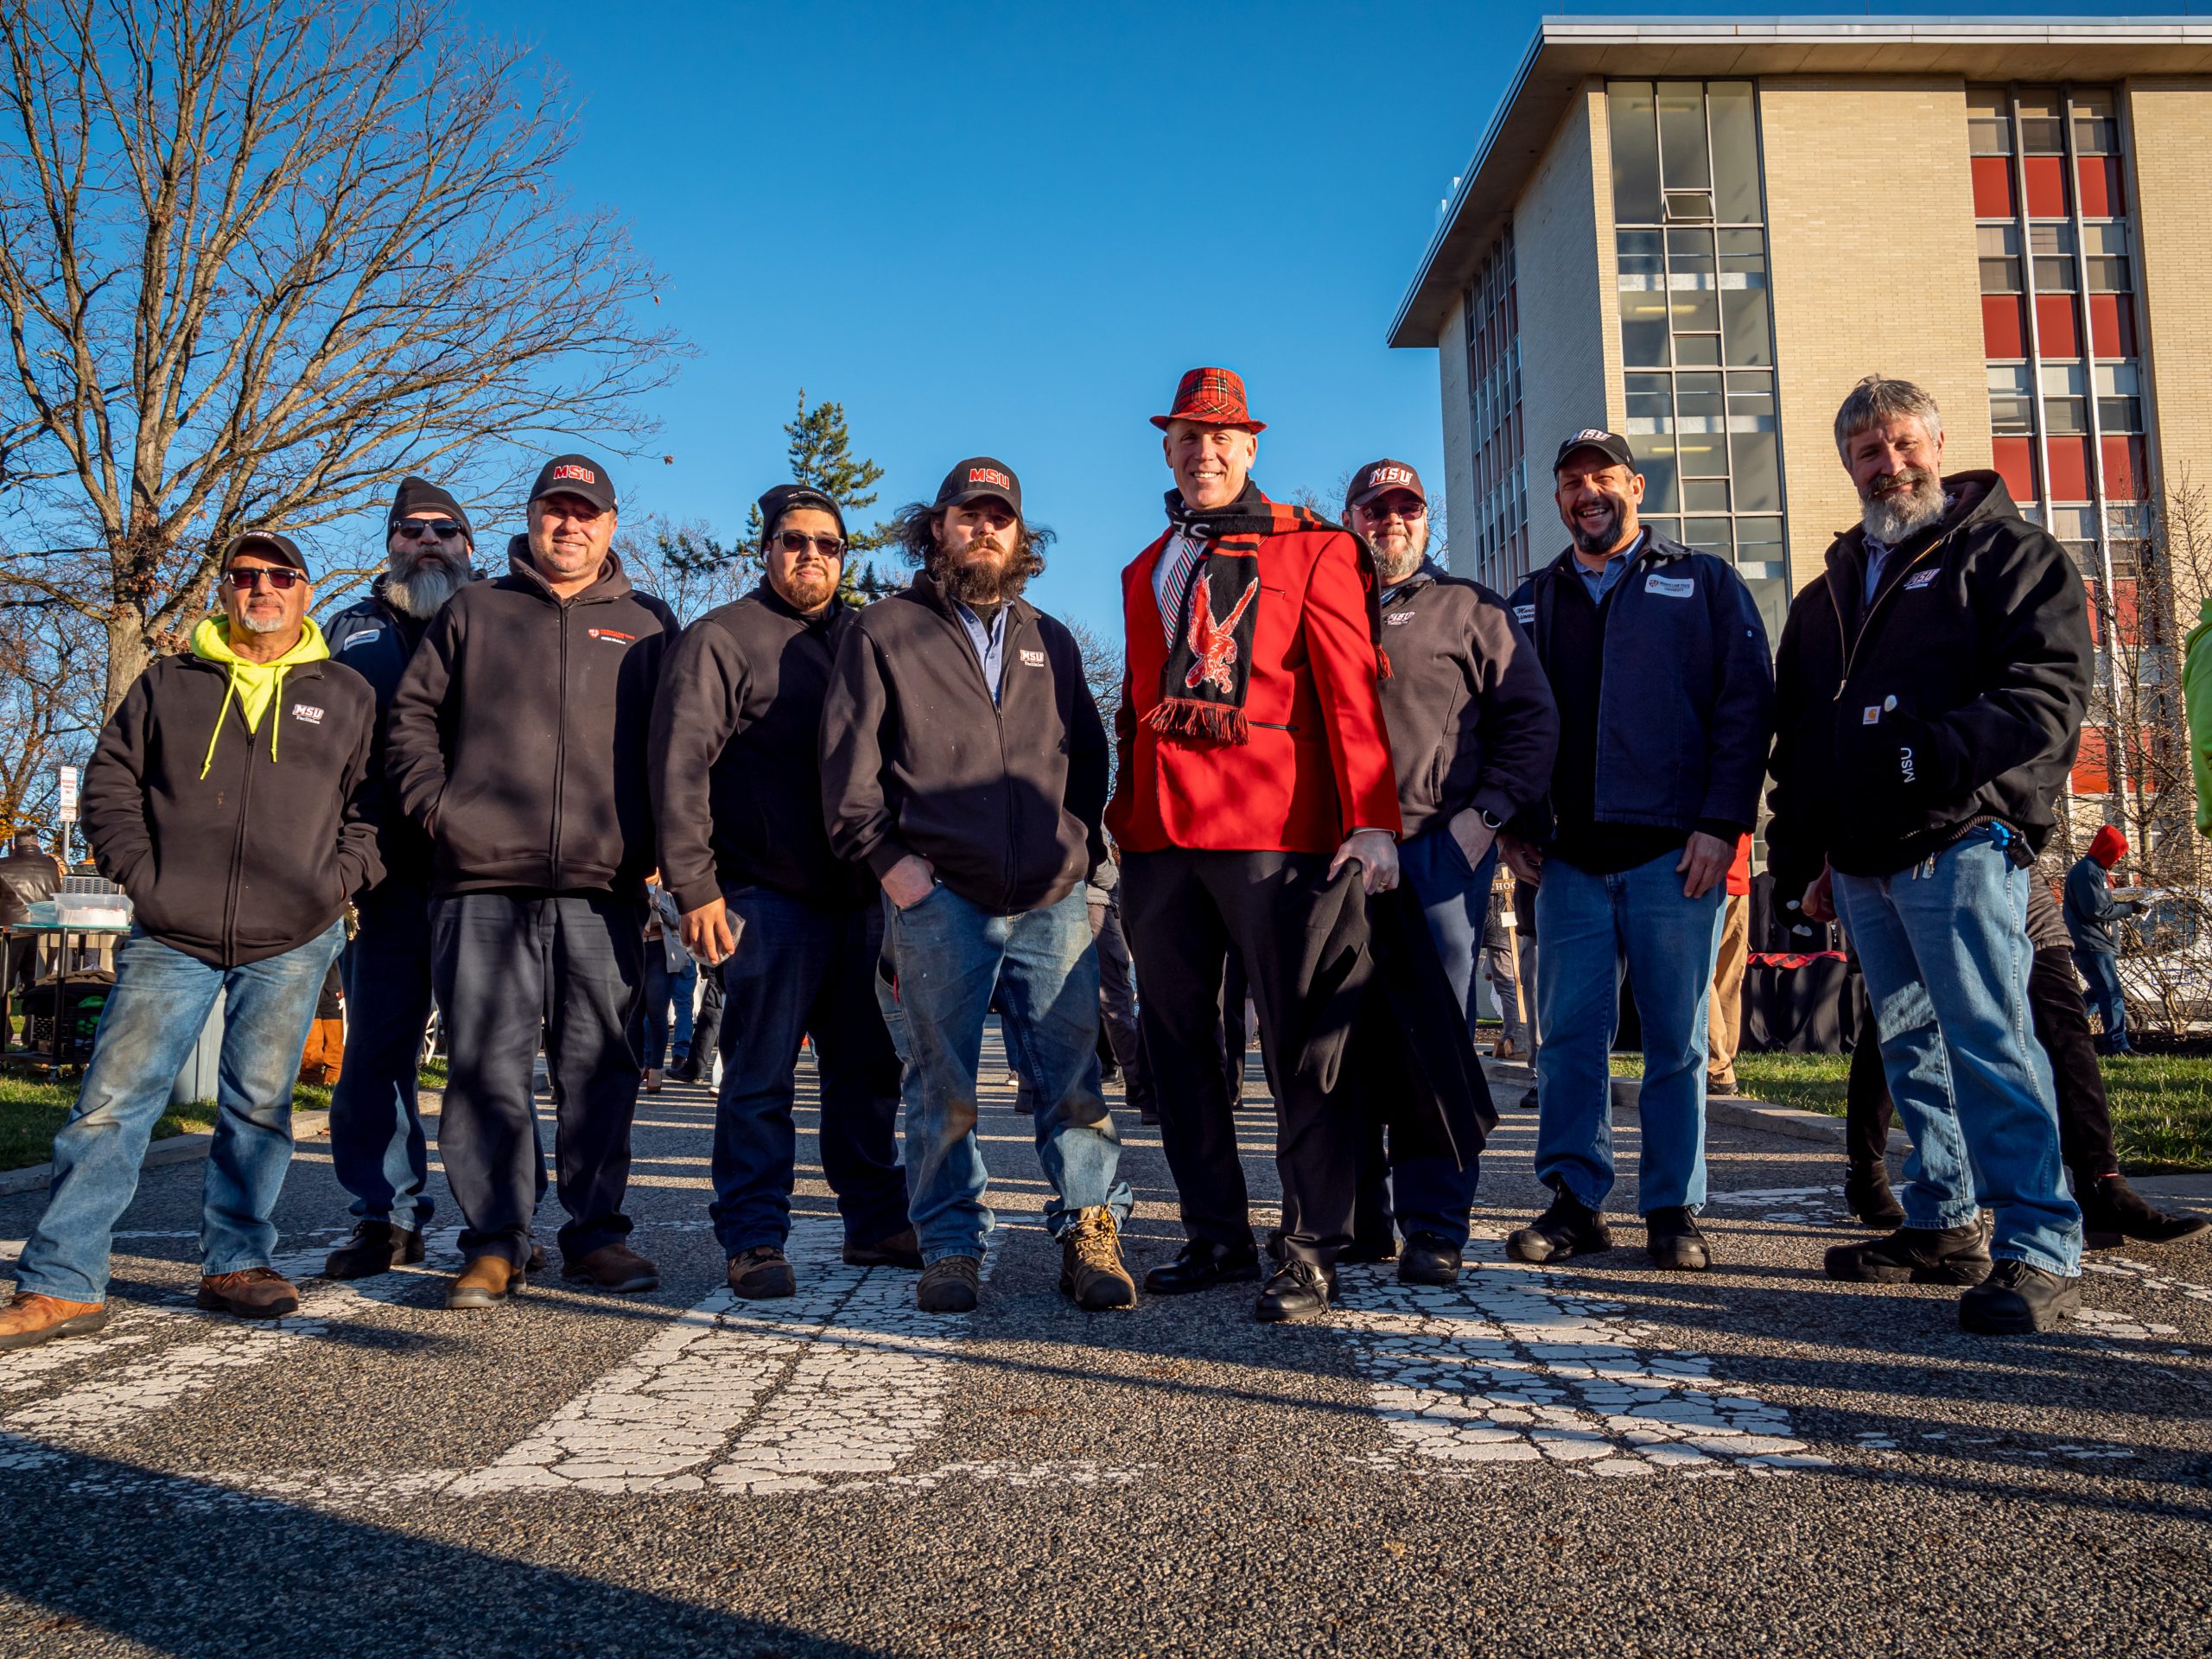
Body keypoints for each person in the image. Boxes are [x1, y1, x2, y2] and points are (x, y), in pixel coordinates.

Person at [1767, 375, 2091, 1335]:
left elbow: (2047, 693)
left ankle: (2039, 1242)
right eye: (1868, 452)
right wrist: (1802, 855)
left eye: (1903, 444)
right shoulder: (1828, 593)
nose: (1888, 464)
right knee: (1910, 1046)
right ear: (1847, 466)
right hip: (1861, 863)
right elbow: (1802, 741)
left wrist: (1926, 757)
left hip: (1961, 839)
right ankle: (1944, 1221)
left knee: (1990, 1038)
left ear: (1937, 445)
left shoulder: (2005, 553)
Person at [0, 532, 379, 1351]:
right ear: (225, 591)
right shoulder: (169, 682)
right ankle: (63, 1281)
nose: (262, 589)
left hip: (294, 935)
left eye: (281, 576)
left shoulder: (346, 694)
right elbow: (110, 783)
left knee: (259, 1108)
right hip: (172, 930)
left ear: (306, 592)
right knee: (110, 1105)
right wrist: (145, 876)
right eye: (245, 577)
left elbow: (373, 808)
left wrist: (335, 883)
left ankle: (237, 1263)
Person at [1109, 368, 1404, 1324]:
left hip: (1277, 833)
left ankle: (1312, 1244)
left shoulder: (1313, 550)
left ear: (1251, 449)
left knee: (1298, 1047)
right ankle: (1216, 1235)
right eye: (1188, 438)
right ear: (1167, 450)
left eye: (1222, 439)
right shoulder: (1144, 564)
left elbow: (1350, 688)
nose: (1205, 453)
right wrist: (1121, 821)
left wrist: (1370, 818)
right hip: (1162, 841)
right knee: (1180, 1049)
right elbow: (1135, 707)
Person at [822, 458, 1131, 1315]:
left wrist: (1087, 869)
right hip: (938, 896)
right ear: (936, 528)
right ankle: (952, 1244)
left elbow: (1086, 769)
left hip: (1049, 899)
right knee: (940, 1083)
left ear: (1019, 536)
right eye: (968, 515)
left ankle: (1090, 1229)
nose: (984, 530)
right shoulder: (884, 631)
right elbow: (848, 770)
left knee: (1070, 1078)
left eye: (1000, 518)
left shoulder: (1052, 639)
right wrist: (890, 863)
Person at [385, 454, 674, 1309]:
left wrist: (659, 846)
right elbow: (410, 725)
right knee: (485, 1067)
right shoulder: (476, 610)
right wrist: (443, 812)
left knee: (598, 1067)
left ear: (611, 525)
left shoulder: (651, 624)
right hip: (479, 885)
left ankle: (595, 1235)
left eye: (586, 512)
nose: (569, 525)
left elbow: (682, 746)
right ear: (532, 518)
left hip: (602, 886)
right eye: (555, 510)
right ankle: (496, 1241)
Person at [1498, 429, 1774, 1274]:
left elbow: (1745, 707)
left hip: (1673, 857)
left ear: (1636, 487)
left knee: (1676, 1040)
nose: (1588, 491)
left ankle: (1671, 1209)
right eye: (1571, 480)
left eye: (1603, 476)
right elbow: (1501, 724)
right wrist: (1511, 824)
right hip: (1567, 863)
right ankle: (1576, 1202)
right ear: (1556, 499)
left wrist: (1719, 825)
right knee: (1569, 1039)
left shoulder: (1702, 584)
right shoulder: (1527, 602)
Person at [649, 482, 917, 1300]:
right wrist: (695, 886)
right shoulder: (722, 638)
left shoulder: (864, 638)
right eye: (794, 540)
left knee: (867, 1072)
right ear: (766, 549)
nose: (810, 555)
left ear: (845, 557)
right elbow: (679, 766)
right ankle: (755, 1236)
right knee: (760, 1075)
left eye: (828, 544)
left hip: (860, 900)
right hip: (764, 899)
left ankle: (874, 1219)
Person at [1340, 457, 1557, 1287]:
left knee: (1431, 1042)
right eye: (1374, 508)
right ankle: (1358, 1220)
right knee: (1342, 1043)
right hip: (1340, 855)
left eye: (1406, 509)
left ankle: (1434, 1224)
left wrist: (1486, 819)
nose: (1390, 522)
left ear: (1426, 522)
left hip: (1437, 850)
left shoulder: (1472, 609)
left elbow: (1532, 722)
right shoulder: (1321, 607)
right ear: (1352, 517)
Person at [1847, 880, 2205, 1247]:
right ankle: (1869, 1172)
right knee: (1901, 1026)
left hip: (2011, 866)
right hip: (1907, 874)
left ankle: (2103, 1184)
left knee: (2064, 1029)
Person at [320, 476, 480, 1278]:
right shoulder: (347, 631)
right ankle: (384, 1216)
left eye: (443, 530)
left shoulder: (503, 617)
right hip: (383, 876)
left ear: (468, 547)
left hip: (484, 875)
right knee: (375, 1056)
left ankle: (498, 1223)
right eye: (410, 529)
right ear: (389, 542)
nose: (427, 540)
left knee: (489, 1059)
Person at [2063, 824, 2139, 1055]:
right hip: (2092, 944)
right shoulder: (2088, 871)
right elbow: (2096, 910)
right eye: (2117, 854)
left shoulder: (2092, 870)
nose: (2116, 861)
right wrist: (2129, 908)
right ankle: (2118, 1046)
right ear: (2108, 850)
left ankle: (2062, 1030)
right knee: (2111, 993)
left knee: (2099, 993)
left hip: (2094, 943)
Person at [1706, 835, 1755, 1096]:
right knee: (1727, 980)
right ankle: (1724, 1064)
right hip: (1738, 878)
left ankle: (1717, 1068)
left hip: (1705, 875)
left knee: (1703, 977)